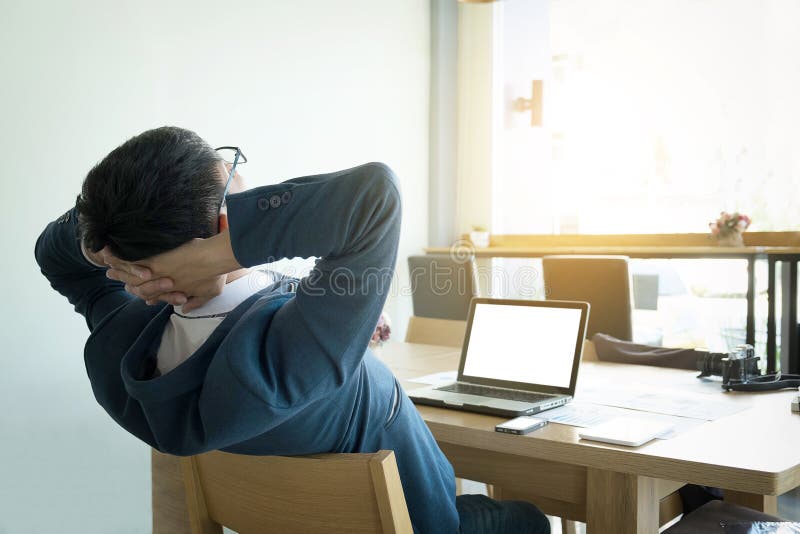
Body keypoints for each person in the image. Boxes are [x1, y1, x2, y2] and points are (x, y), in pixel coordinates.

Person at [35, 126, 549, 533]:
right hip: (426, 523)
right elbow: (373, 195)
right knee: (528, 517)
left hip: (294, 520)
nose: (242, 179)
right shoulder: (290, 358)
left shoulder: (124, 336)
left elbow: (51, 251)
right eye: (230, 169)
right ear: (221, 224)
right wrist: (223, 252)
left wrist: (112, 244)